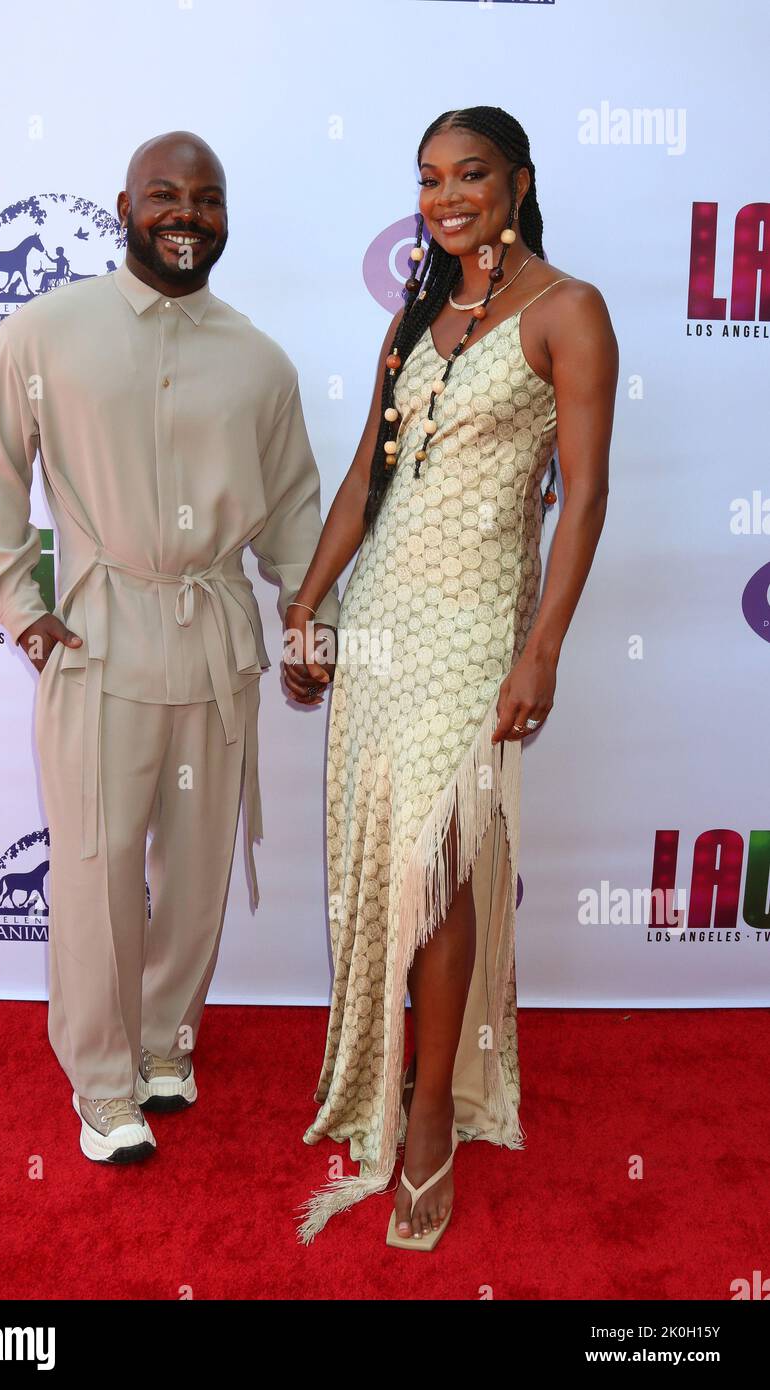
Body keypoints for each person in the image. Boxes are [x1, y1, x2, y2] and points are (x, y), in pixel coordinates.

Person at [0, 130, 339, 1164]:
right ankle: (101, 1080)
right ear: (122, 205)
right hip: (98, 639)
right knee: (92, 865)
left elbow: (296, 516)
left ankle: (168, 1041)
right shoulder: (46, 331)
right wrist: (21, 602)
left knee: (197, 866)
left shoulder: (258, 360)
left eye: (207, 199)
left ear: (226, 216)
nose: (188, 215)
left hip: (216, 641)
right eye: (165, 195)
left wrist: (310, 625)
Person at [288, 106, 617, 1248]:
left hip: (476, 627)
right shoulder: (413, 313)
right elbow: (361, 484)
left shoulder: (568, 311)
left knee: (440, 866)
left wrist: (543, 648)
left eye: (467, 173)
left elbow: (583, 496)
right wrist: (307, 598)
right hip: (381, 612)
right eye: (427, 178)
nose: (445, 195)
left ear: (516, 182)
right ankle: (380, 1073)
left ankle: (429, 1114)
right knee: (389, 858)